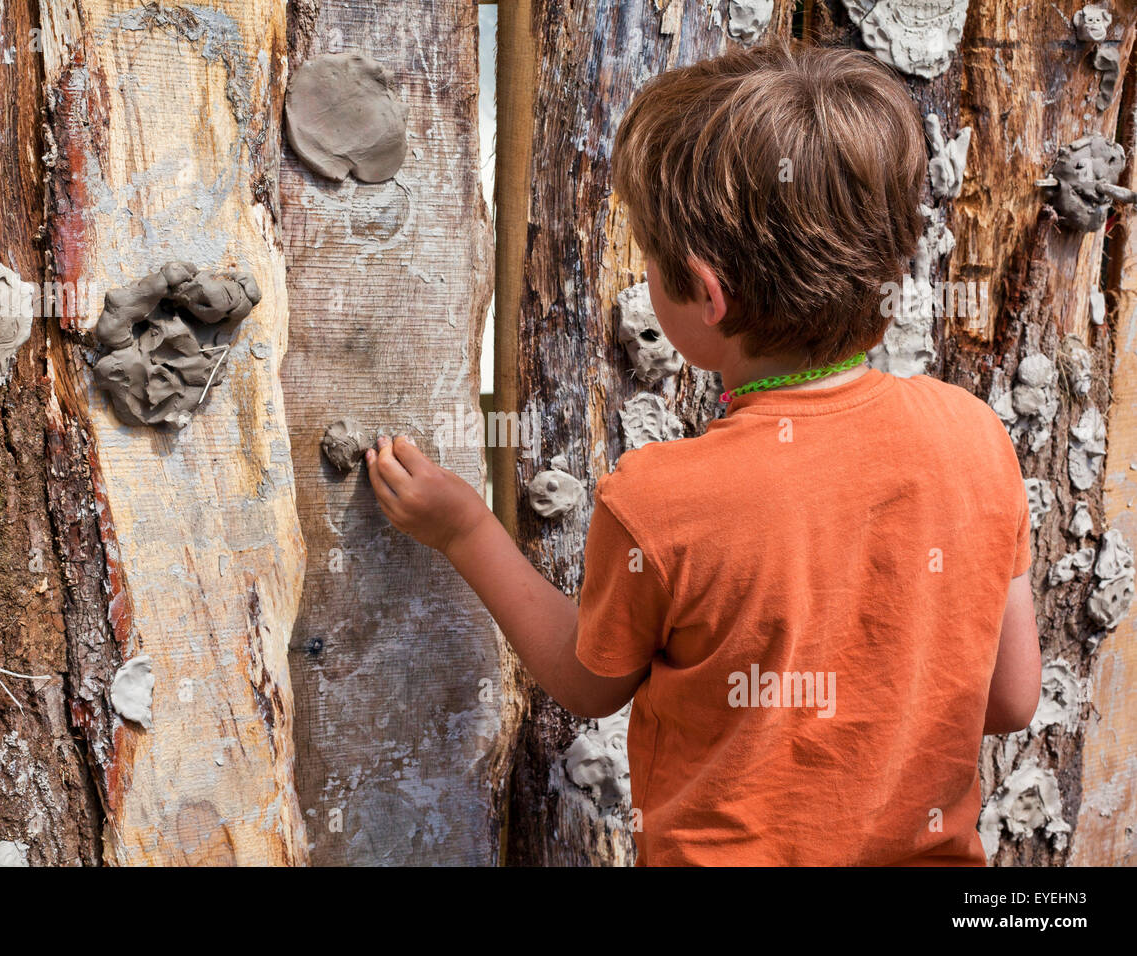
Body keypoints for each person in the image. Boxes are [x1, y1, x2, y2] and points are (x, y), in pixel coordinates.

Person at [365, 43, 1040, 866]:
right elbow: (1010, 697)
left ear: (707, 293)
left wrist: (466, 530)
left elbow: (588, 683)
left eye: (648, 260)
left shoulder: (660, 499)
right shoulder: (974, 438)